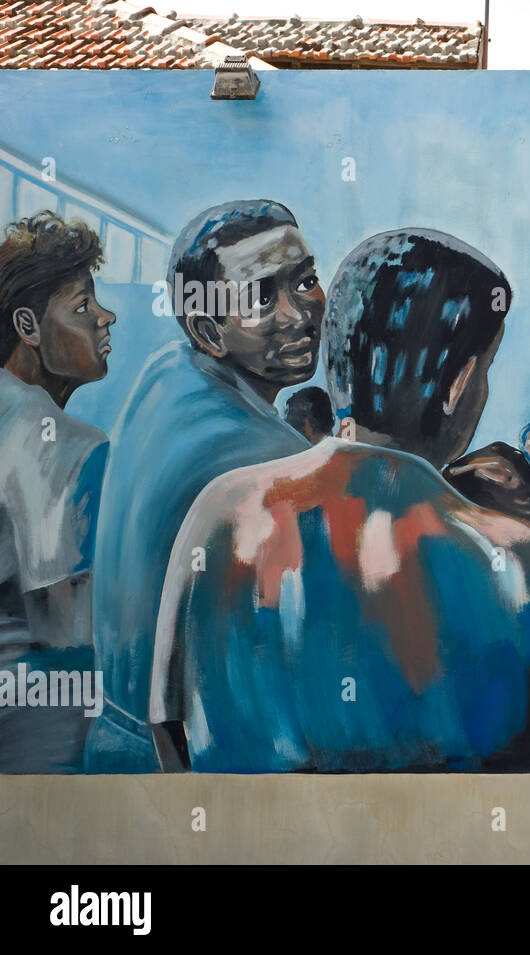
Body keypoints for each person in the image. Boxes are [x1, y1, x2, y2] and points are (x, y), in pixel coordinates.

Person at [150, 228, 530, 773]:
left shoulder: (219, 512)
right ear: (459, 383)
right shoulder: (516, 559)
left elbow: (169, 731)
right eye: (487, 370)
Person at [85, 199, 322, 773]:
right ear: (208, 328)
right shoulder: (272, 463)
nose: (299, 314)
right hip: (179, 776)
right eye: (262, 297)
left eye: (306, 281)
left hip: (117, 749)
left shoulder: (167, 373)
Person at [0, 212, 115, 773]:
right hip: (31, 739)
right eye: (82, 307)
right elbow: (67, 635)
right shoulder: (62, 442)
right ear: (27, 325)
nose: (105, 317)